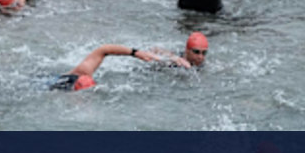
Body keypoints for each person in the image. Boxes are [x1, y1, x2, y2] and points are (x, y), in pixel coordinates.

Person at [51, 33, 208, 91]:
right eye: (196, 52)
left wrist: (135, 53)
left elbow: (104, 49)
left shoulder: (83, 71)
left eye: (203, 53)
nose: (200, 56)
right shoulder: (73, 83)